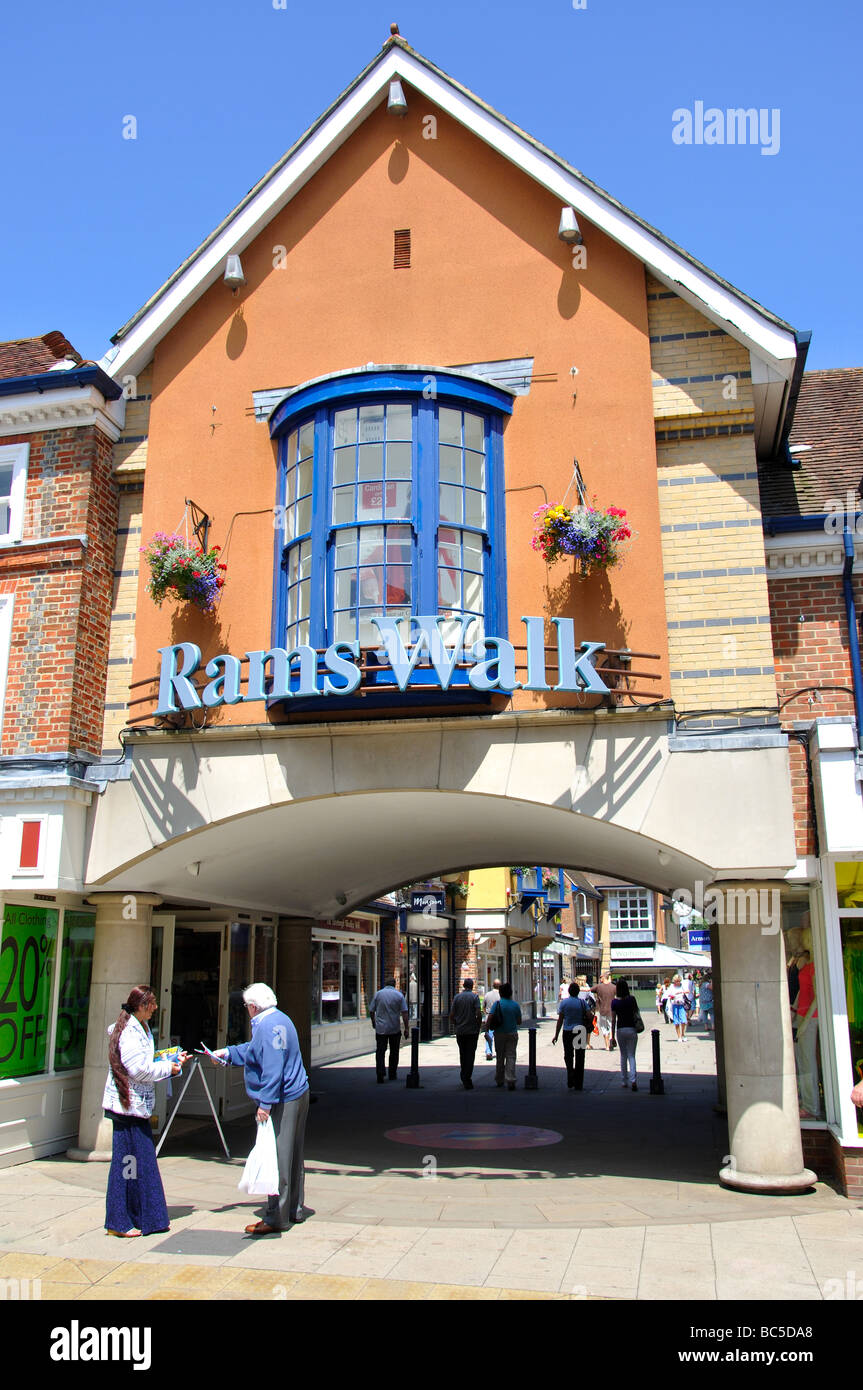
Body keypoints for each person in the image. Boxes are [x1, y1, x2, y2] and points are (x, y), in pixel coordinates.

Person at [212, 983, 310, 1235]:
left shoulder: (266, 1026)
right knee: (293, 1154)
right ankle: (293, 1209)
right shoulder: (280, 1019)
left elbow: (272, 1068)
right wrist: (229, 1053)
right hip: (297, 1093)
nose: (247, 1011)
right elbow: (257, 1051)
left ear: (253, 1006)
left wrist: (264, 1104)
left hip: (283, 1098)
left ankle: (276, 1217)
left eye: (247, 1007)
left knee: (276, 1158)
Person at [103, 985, 191, 1238]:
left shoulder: (139, 1028)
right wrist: (168, 1069)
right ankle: (120, 1221)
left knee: (136, 1164)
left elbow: (144, 1062)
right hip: (127, 1109)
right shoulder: (130, 1032)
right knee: (127, 1165)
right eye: (151, 1003)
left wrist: (170, 1061)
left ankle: (140, 1217)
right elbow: (138, 1070)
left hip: (135, 1108)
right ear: (141, 1006)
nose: (155, 1008)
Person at [369, 977, 409, 1082]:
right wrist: (406, 1028)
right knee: (394, 1052)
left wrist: (373, 1022)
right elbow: (404, 1013)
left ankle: (380, 1073)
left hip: (381, 1028)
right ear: (395, 984)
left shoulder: (378, 994)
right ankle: (392, 1073)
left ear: (385, 984)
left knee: (380, 1051)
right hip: (394, 1027)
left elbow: (371, 1010)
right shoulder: (399, 995)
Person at [552, 981, 591, 1089]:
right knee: (580, 1056)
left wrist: (556, 1035)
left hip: (567, 1031)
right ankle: (579, 1083)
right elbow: (590, 1016)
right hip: (580, 1030)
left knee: (568, 1055)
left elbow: (560, 1020)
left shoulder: (564, 1003)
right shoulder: (582, 1002)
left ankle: (570, 1075)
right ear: (578, 992)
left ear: (569, 992)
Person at [485, 982, 521, 1090]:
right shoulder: (515, 1005)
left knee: (500, 1057)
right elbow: (519, 1021)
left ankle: (499, 1080)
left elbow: (490, 1017)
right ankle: (510, 1080)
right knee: (511, 1056)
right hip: (512, 1033)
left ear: (500, 993)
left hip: (499, 1033)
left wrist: (486, 1030)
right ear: (510, 993)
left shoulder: (497, 1004)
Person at [450, 977, 482, 1088]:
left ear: (463, 986)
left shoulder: (457, 997)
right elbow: (478, 1013)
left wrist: (456, 1024)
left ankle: (464, 1074)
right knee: (470, 1054)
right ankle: (466, 1076)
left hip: (460, 1031)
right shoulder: (474, 997)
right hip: (472, 1031)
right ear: (472, 986)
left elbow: (452, 1015)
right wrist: (478, 1025)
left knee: (462, 1054)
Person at [611, 979, 640, 1090]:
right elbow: (636, 1012)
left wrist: (612, 1036)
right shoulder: (632, 1000)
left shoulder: (614, 1002)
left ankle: (624, 1081)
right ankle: (633, 1080)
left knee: (623, 1055)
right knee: (632, 1055)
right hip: (632, 1029)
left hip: (621, 1029)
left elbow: (613, 1020)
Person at [593, 973, 617, 1052]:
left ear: (604, 978)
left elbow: (589, 990)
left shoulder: (598, 987)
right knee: (611, 1027)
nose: (600, 979)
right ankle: (611, 1040)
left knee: (604, 1028)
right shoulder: (614, 987)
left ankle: (607, 1045)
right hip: (611, 1011)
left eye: (601, 977)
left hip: (602, 1011)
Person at [483, 977, 502, 1062]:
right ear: (500, 986)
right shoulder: (501, 996)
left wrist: (486, 1014)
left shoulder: (487, 994)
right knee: (499, 1036)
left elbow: (483, 1006)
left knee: (489, 1036)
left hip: (489, 1018)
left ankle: (489, 1052)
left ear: (493, 985)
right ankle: (499, 1051)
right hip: (498, 1019)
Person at [576, 975, 597, 1049]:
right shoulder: (587, 988)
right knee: (588, 1026)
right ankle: (587, 1043)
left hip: (577, 1009)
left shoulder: (575, 988)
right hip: (586, 1009)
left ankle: (579, 1042)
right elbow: (593, 998)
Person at [668, 974, 688, 1041]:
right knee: (676, 1021)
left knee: (683, 1020)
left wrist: (681, 992)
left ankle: (683, 1034)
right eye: (676, 981)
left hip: (681, 1004)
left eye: (679, 981)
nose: (678, 982)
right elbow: (669, 994)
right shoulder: (672, 987)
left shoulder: (682, 986)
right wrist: (673, 996)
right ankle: (679, 1036)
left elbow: (687, 991)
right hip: (675, 1004)